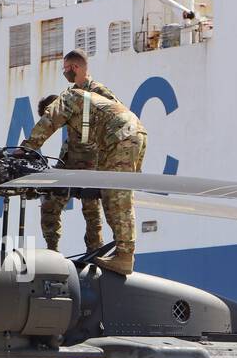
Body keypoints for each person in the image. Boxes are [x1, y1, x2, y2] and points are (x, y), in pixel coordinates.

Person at [22, 88, 146, 274]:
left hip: (95, 168)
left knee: (103, 204)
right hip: (84, 169)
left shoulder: (74, 104)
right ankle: (53, 250)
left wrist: (27, 148)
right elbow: (69, 159)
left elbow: (49, 124)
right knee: (52, 205)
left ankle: (99, 250)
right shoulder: (80, 123)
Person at [38, 50, 120, 254]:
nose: (64, 73)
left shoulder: (99, 92)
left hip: (93, 160)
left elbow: (118, 118)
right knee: (50, 204)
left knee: (91, 208)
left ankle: (95, 251)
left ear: (76, 67)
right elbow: (54, 113)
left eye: (66, 69)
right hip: (69, 160)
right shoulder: (70, 94)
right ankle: (52, 250)